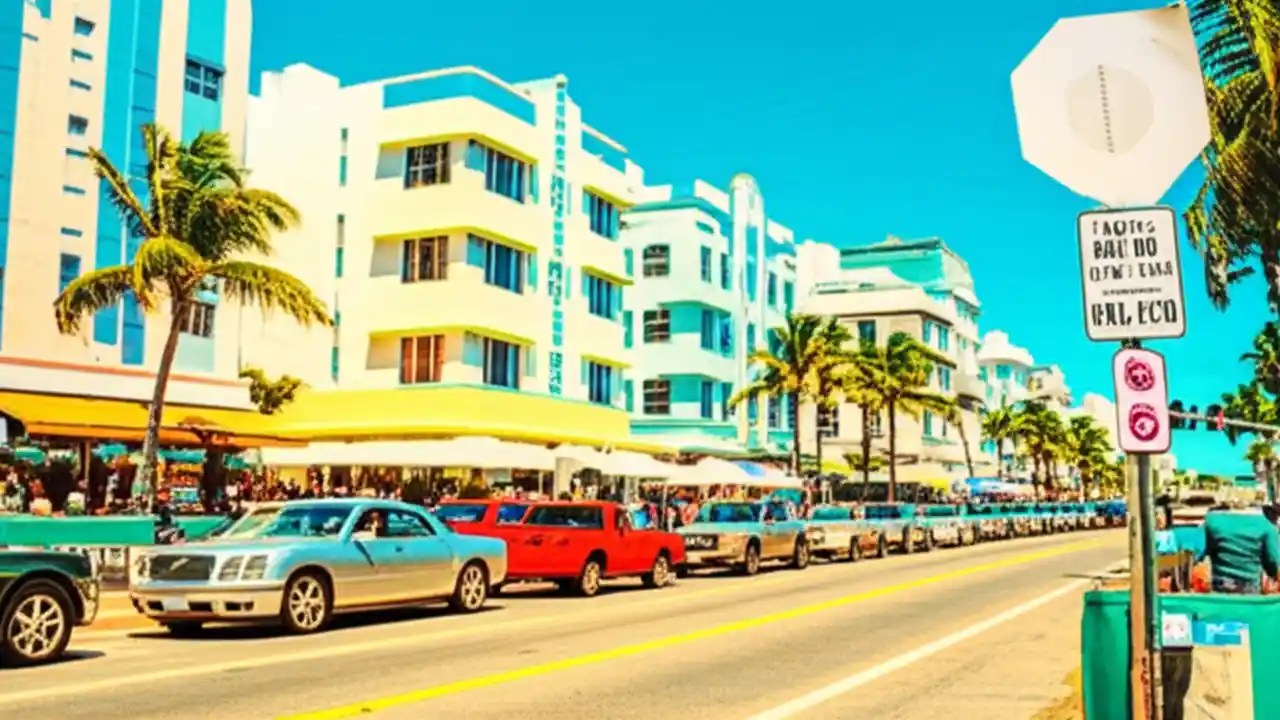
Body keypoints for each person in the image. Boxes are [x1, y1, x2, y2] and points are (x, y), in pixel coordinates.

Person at [1203, 501, 1280, 594]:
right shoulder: (1267, 526)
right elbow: (1274, 562)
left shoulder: (1212, 521)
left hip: (1219, 586)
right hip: (1250, 588)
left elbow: (1201, 552)